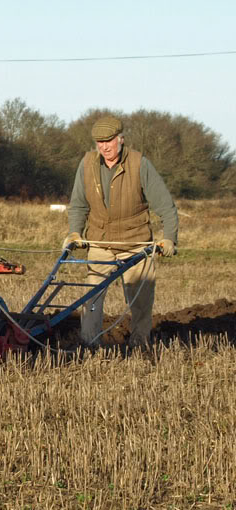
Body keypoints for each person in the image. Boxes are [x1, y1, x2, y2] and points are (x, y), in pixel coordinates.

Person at [64, 115, 178, 349]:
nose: (104, 146)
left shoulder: (139, 164)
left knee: (140, 300)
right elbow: (78, 204)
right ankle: (89, 344)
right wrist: (75, 233)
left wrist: (169, 238)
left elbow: (165, 205)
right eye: (100, 142)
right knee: (91, 296)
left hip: (135, 242)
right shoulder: (87, 165)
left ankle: (139, 344)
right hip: (99, 240)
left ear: (121, 139)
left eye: (109, 140)